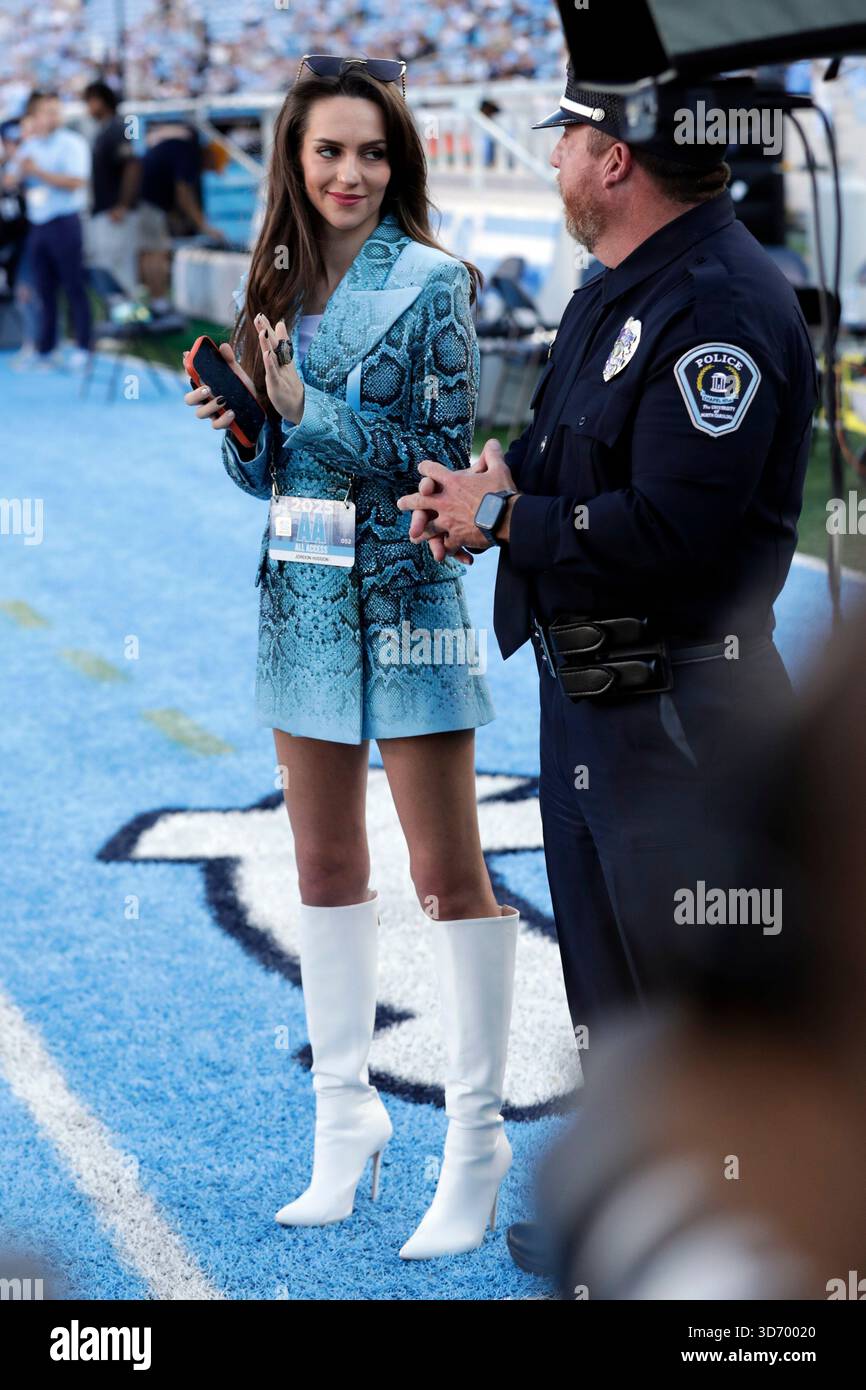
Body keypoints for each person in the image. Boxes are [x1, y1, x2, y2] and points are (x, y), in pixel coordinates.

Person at [397, 64, 818, 1273]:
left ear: (615, 158)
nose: (558, 158)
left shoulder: (724, 305)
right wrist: (487, 491)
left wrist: (509, 524)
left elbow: (673, 538)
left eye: (569, 138)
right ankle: (637, 1228)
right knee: (607, 981)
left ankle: (737, 1263)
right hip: (595, 698)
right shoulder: (618, 288)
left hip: (682, 711)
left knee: (692, 1001)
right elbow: (549, 452)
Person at [182, 54, 519, 1261]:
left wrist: (303, 407)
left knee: (445, 873)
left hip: (412, 589)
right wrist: (245, 425)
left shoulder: (434, 283)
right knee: (323, 860)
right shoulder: (268, 278)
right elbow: (276, 474)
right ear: (294, 157)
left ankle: (475, 1142)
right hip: (304, 599)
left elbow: (435, 456)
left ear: (398, 161)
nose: (350, 173)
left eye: (372, 152)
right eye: (329, 150)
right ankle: (346, 1124)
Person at [11, 90, 92, 369]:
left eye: (56, 111)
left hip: (65, 221)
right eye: (47, 111)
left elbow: (76, 181)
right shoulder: (30, 146)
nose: (52, 117)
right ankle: (47, 348)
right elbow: (11, 180)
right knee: (43, 289)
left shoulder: (72, 144)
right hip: (38, 223)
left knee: (73, 286)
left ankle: (84, 345)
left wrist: (37, 172)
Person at [82, 81, 142, 297]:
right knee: (107, 267)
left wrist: (123, 205)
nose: (87, 108)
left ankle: (129, 324)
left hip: (115, 214)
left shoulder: (117, 128)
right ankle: (121, 319)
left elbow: (132, 165)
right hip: (106, 211)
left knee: (120, 271)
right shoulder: (104, 130)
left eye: (89, 101)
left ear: (100, 101)